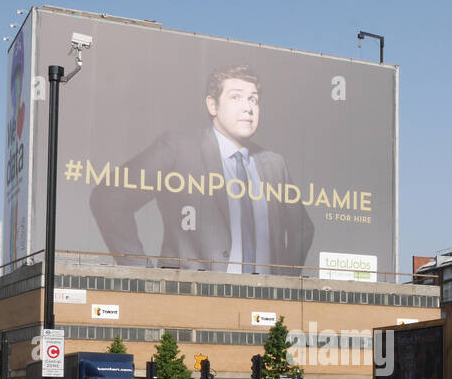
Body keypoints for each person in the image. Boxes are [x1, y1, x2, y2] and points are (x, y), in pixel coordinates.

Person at [90, 64, 314, 275]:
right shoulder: (179, 148)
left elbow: (303, 229)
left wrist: (285, 279)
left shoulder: (275, 164)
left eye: (253, 100)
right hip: (194, 300)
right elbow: (109, 198)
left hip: (264, 305)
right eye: (236, 97)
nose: (248, 108)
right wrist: (140, 272)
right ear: (212, 105)